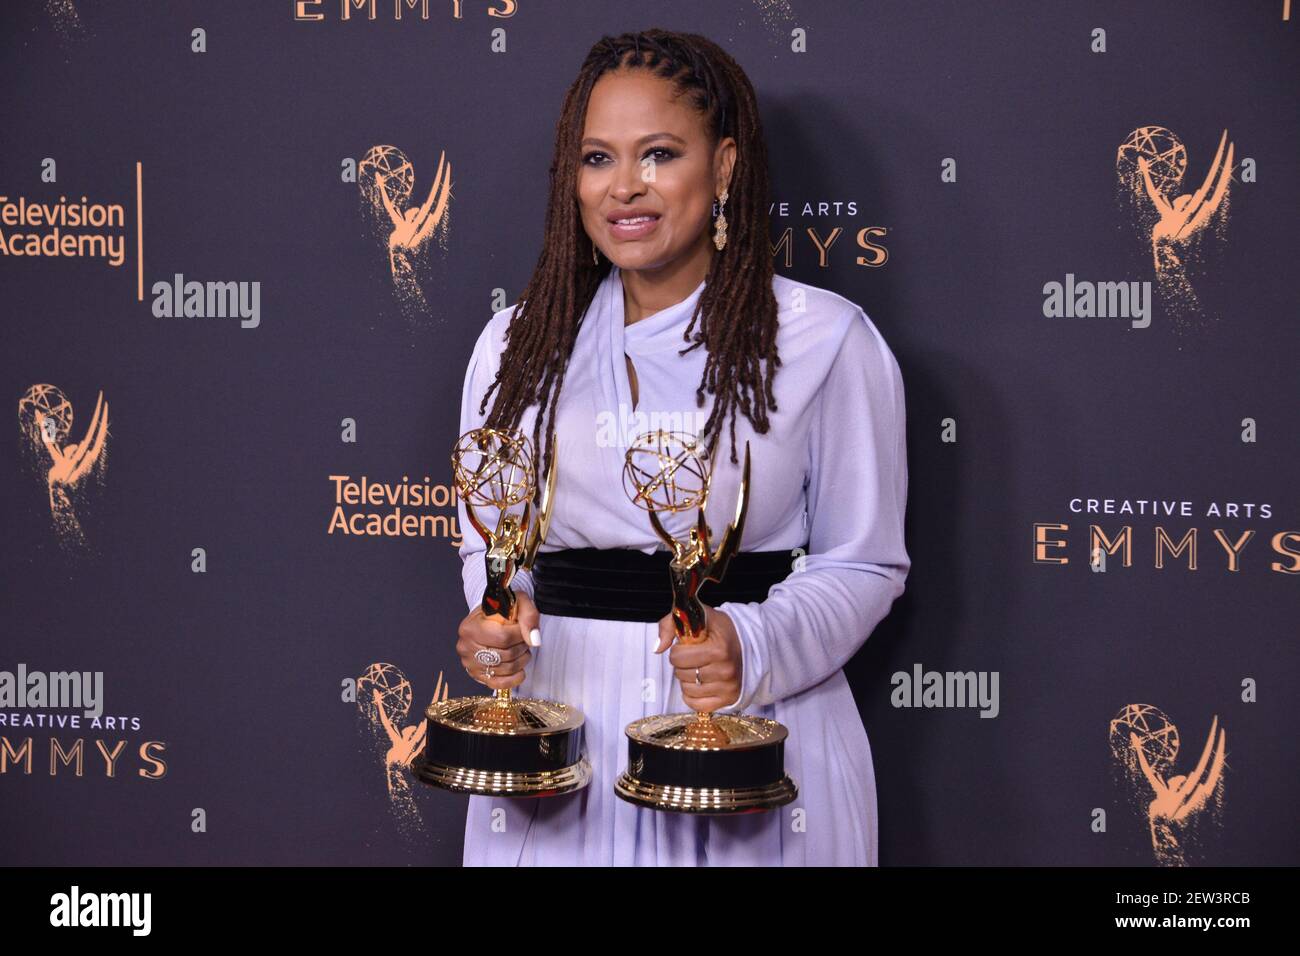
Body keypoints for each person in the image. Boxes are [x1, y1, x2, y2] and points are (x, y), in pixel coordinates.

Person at [452, 29, 909, 865]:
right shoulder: (514, 346)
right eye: (597, 159)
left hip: (752, 749)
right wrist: (495, 621)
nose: (624, 187)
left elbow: (866, 563)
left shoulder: (826, 341)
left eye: (658, 153)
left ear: (725, 166)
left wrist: (753, 646)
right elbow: (489, 541)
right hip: (561, 755)